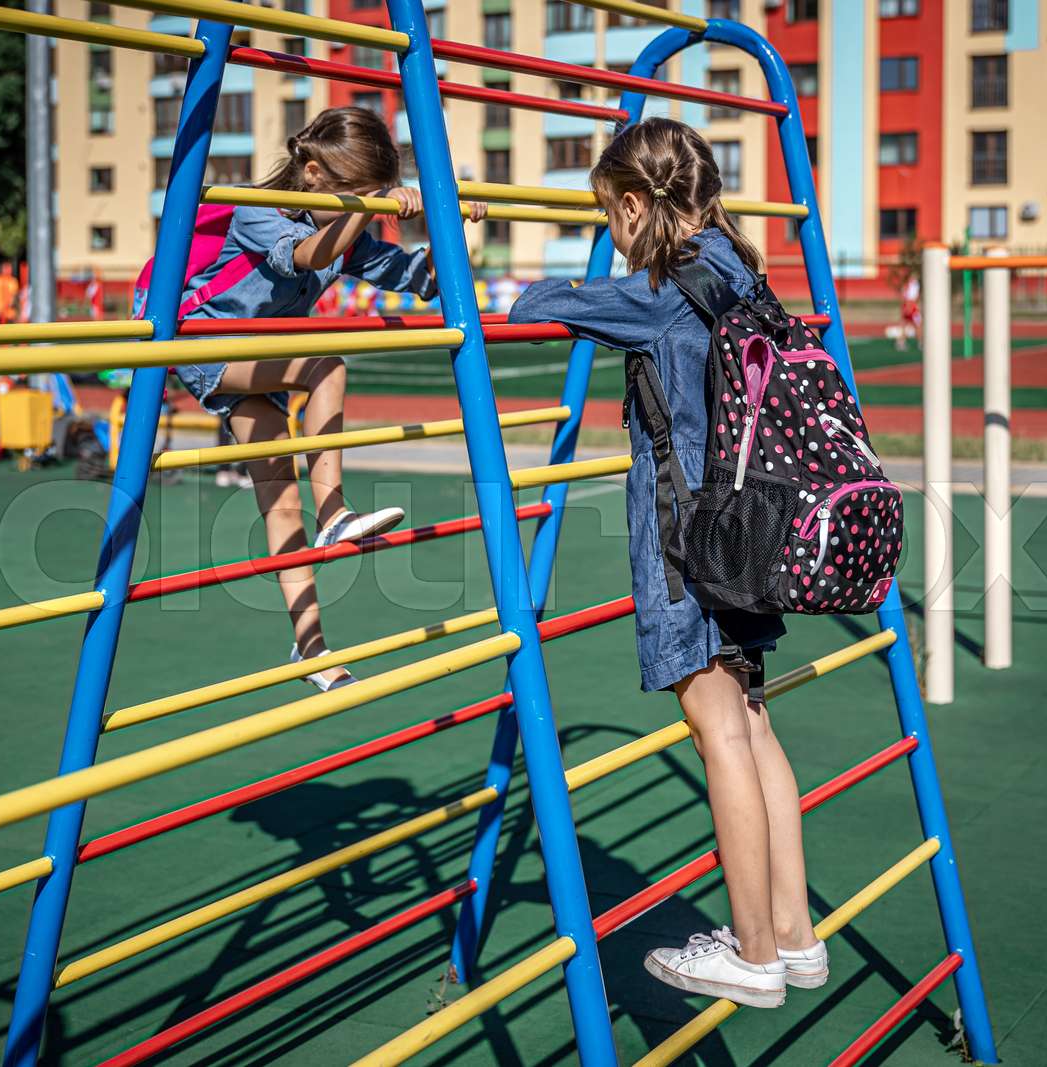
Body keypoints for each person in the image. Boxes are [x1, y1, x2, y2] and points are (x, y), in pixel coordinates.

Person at [508, 118, 826, 1009]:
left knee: (717, 730)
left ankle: (754, 952)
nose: (612, 232)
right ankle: (794, 935)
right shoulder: (739, 267)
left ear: (643, 205)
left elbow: (536, 306)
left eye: (613, 213)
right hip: (752, 525)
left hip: (688, 541)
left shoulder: (661, 292)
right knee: (755, 723)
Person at [171, 107, 484, 690]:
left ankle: (310, 649)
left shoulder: (345, 232)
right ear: (311, 173)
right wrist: (372, 206)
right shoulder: (257, 210)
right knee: (325, 367)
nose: (367, 209)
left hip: (259, 359)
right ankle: (335, 512)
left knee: (278, 497)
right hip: (205, 344)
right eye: (357, 196)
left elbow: (426, 280)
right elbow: (306, 255)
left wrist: (449, 222)